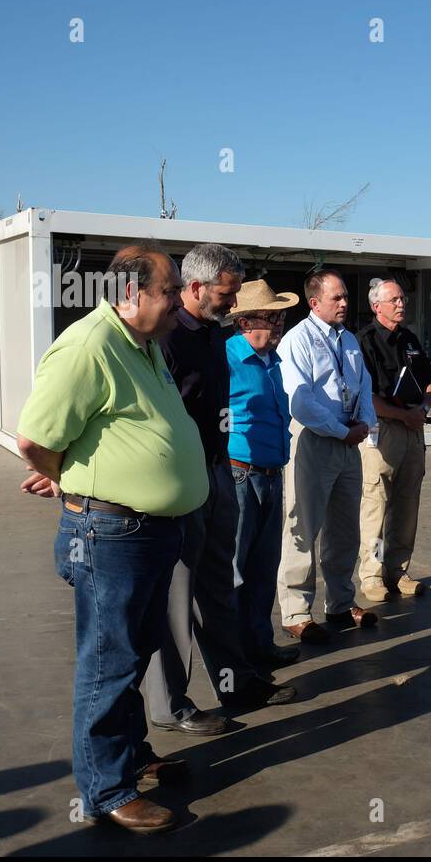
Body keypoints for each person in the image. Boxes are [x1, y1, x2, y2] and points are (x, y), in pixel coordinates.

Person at [15, 241, 207, 834]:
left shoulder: (144, 345)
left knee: (135, 650)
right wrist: (74, 484)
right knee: (109, 661)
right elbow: (34, 441)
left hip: (151, 532)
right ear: (132, 293)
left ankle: (132, 758)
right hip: (111, 534)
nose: (180, 300)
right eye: (170, 290)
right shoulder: (88, 347)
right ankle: (106, 790)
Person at [144, 244, 295, 738]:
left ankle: (237, 684)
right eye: (226, 295)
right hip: (180, 480)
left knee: (216, 588)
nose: (233, 306)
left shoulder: (212, 334)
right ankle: (171, 705)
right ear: (195, 288)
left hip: (216, 472)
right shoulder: (164, 339)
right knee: (176, 595)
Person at [278, 269, 379, 640]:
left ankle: (339, 602)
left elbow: (363, 385)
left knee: (344, 528)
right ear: (314, 302)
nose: (345, 303)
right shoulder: (296, 341)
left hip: (348, 442)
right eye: (336, 298)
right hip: (315, 441)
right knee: (303, 527)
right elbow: (300, 400)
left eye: (346, 297)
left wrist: (365, 422)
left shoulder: (348, 339)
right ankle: (296, 611)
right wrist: (342, 431)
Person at [226, 279, 298, 666]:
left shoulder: (273, 361)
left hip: (271, 473)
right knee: (236, 568)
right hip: (240, 474)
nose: (279, 324)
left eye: (280, 316)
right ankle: (234, 656)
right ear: (245, 321)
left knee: (264, 565)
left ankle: (259, 644)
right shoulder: (227, 358)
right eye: (271, 317)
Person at [355, 277, 431, 602]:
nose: (401, 304)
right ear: (377, 306)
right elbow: (366, 397)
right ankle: (372, 575)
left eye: (403, 298)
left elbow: (430, 383)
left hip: (413, 429)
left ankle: (398, 570)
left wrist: (425, 407)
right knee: (376, 506)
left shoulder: (411, 340)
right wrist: (403, 415)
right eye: (394, 300)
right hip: (382, 431)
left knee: (407, 505)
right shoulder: (364, 341)